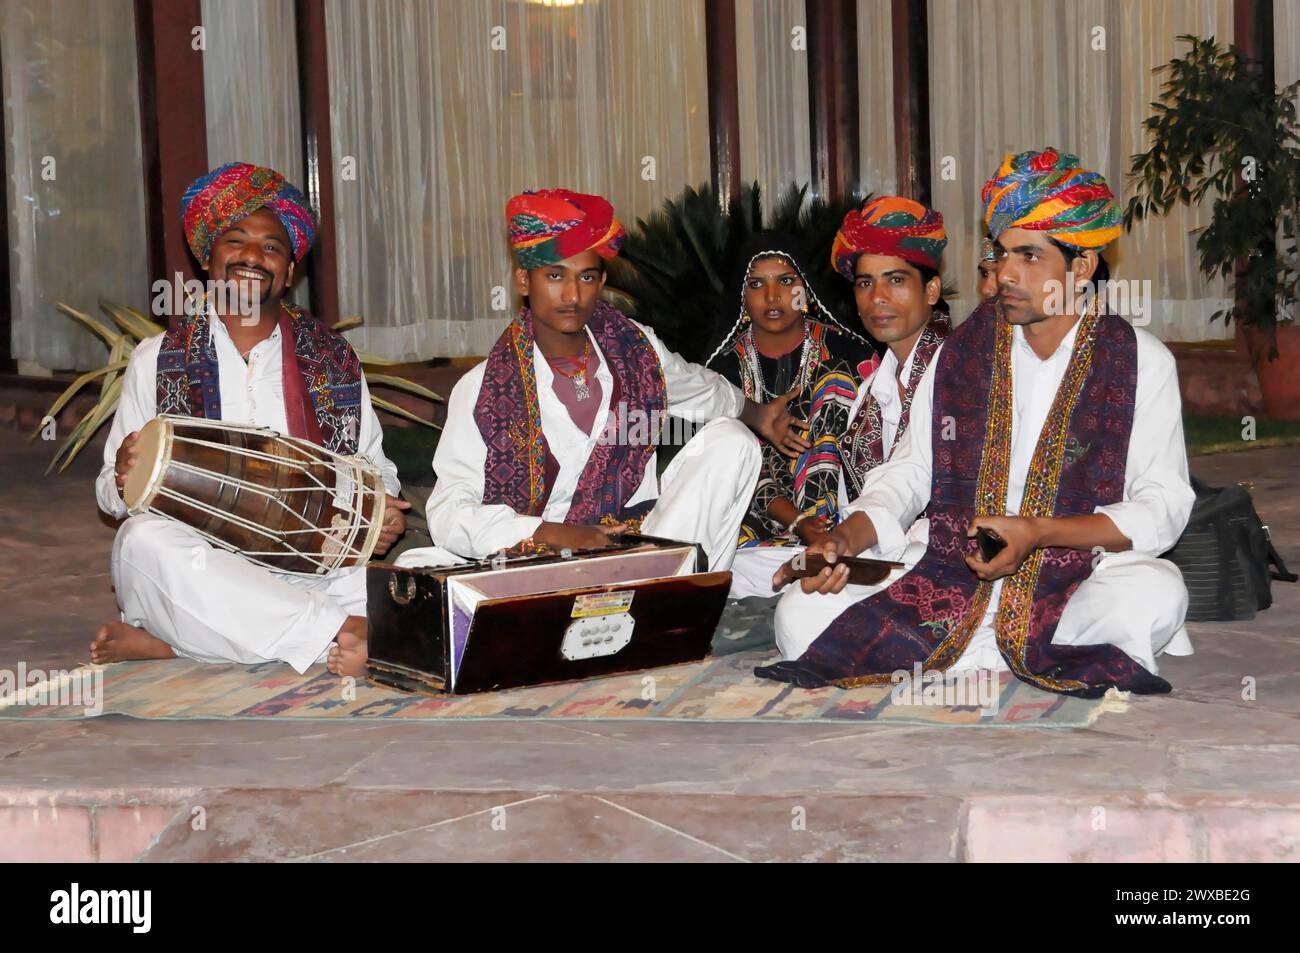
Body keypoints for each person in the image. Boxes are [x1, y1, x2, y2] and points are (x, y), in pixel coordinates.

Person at [765, 149, 1195, 697]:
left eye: (1030, 257)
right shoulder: (961, 354)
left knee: (1157, 592)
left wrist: (1037, 533)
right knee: (798, 613)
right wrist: (843, 540)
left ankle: (974, 649)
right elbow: (912, 471)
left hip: (1078, 573)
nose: (1006, 274)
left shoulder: (1140, 360)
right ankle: (1005, 649)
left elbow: (1163, 505)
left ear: (1081, 267)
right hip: (954, 573)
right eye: (1001, 253)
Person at [92, 162, 403, 678]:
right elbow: (108, 495)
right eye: (236, 241)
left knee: (425, 571)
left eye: (273, 247)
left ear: (289, 270)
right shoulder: (157, 359)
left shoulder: (331, 358)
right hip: (202, 565)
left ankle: (181, 644)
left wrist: (383, 510)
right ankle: (337, 632)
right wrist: (122, 479)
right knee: (143, 544)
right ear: (208, 257)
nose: (253, 257)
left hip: (311, 567)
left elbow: (374, 466)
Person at [398, 188, 807, 573]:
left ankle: (673, 599)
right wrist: (548, 534)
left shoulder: (636, 352)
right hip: (537, 559)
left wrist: (755, 413)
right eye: (555, 277)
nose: (573, 295)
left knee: (731, 442)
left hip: (630, 544)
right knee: (416, 565)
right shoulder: (483, 389)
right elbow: (450, 510)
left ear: (602, 282)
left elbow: (700, 388)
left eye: (587, 277)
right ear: (524, 281)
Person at [706, 232, 870, 598]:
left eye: (785, 281)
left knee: (835, 382)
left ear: (806, 292)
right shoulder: (723, 371)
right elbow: (720, 468)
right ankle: (802, 553)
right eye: (756, 284)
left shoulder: (849, 352)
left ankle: (821, 547)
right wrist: (797, 522)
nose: (772, 296)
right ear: (743, 298)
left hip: (842, 513)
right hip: (755, 510)